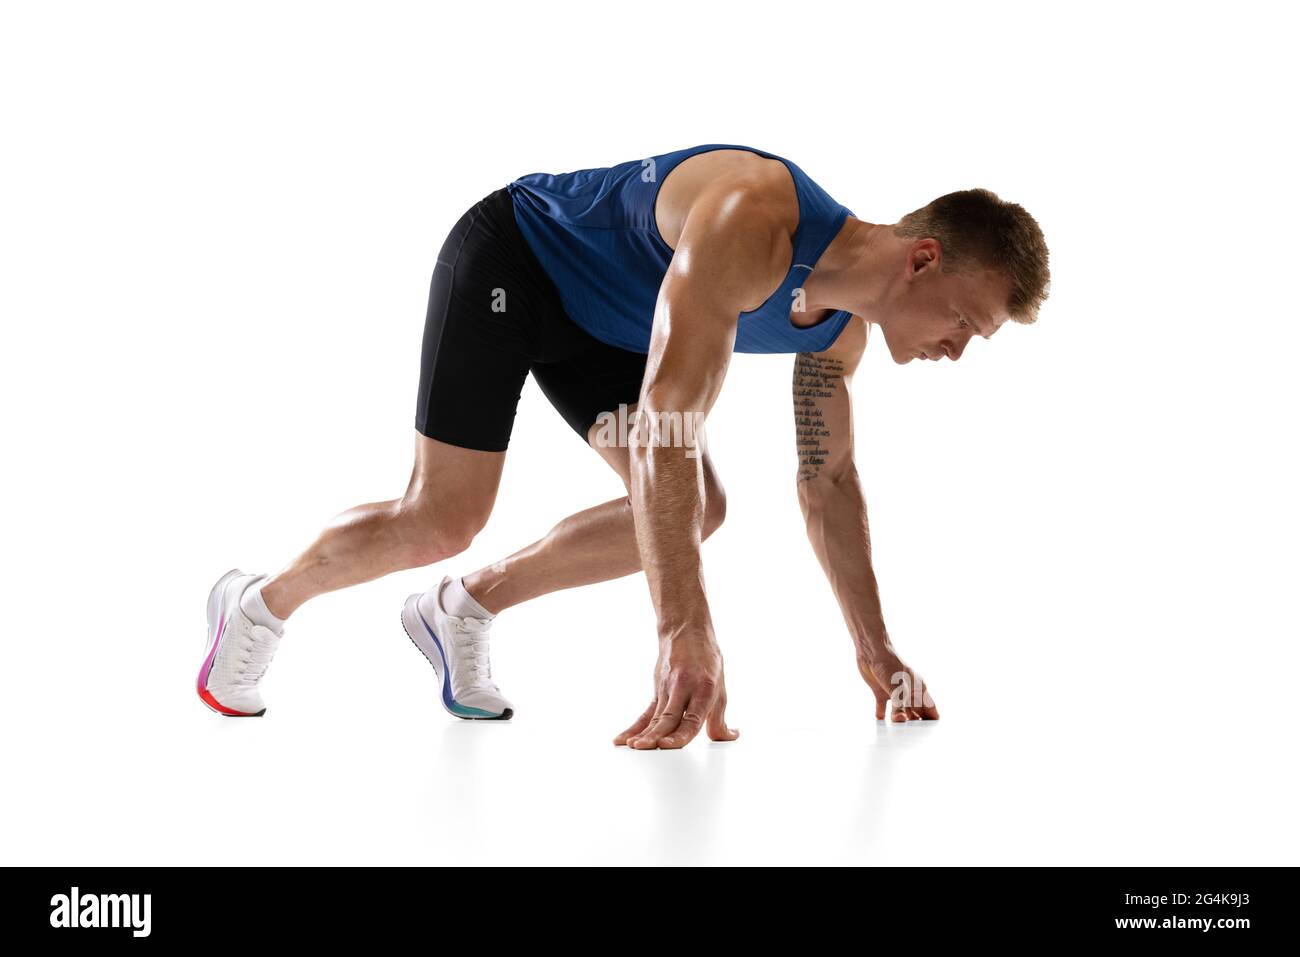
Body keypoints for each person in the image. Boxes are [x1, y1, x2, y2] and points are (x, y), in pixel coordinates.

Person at [197, 144, 1051, 748]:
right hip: (515, 263)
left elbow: (826, 481)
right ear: (924, 259)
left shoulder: (836, 337)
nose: (958, 348)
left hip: (599, 330)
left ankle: (461, 607)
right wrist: (685, 627)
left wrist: (877, 650)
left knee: (701, 508)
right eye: (965, 322)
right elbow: (667, 429)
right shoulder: (752, 221)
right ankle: (258, 603)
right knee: (443, 514)